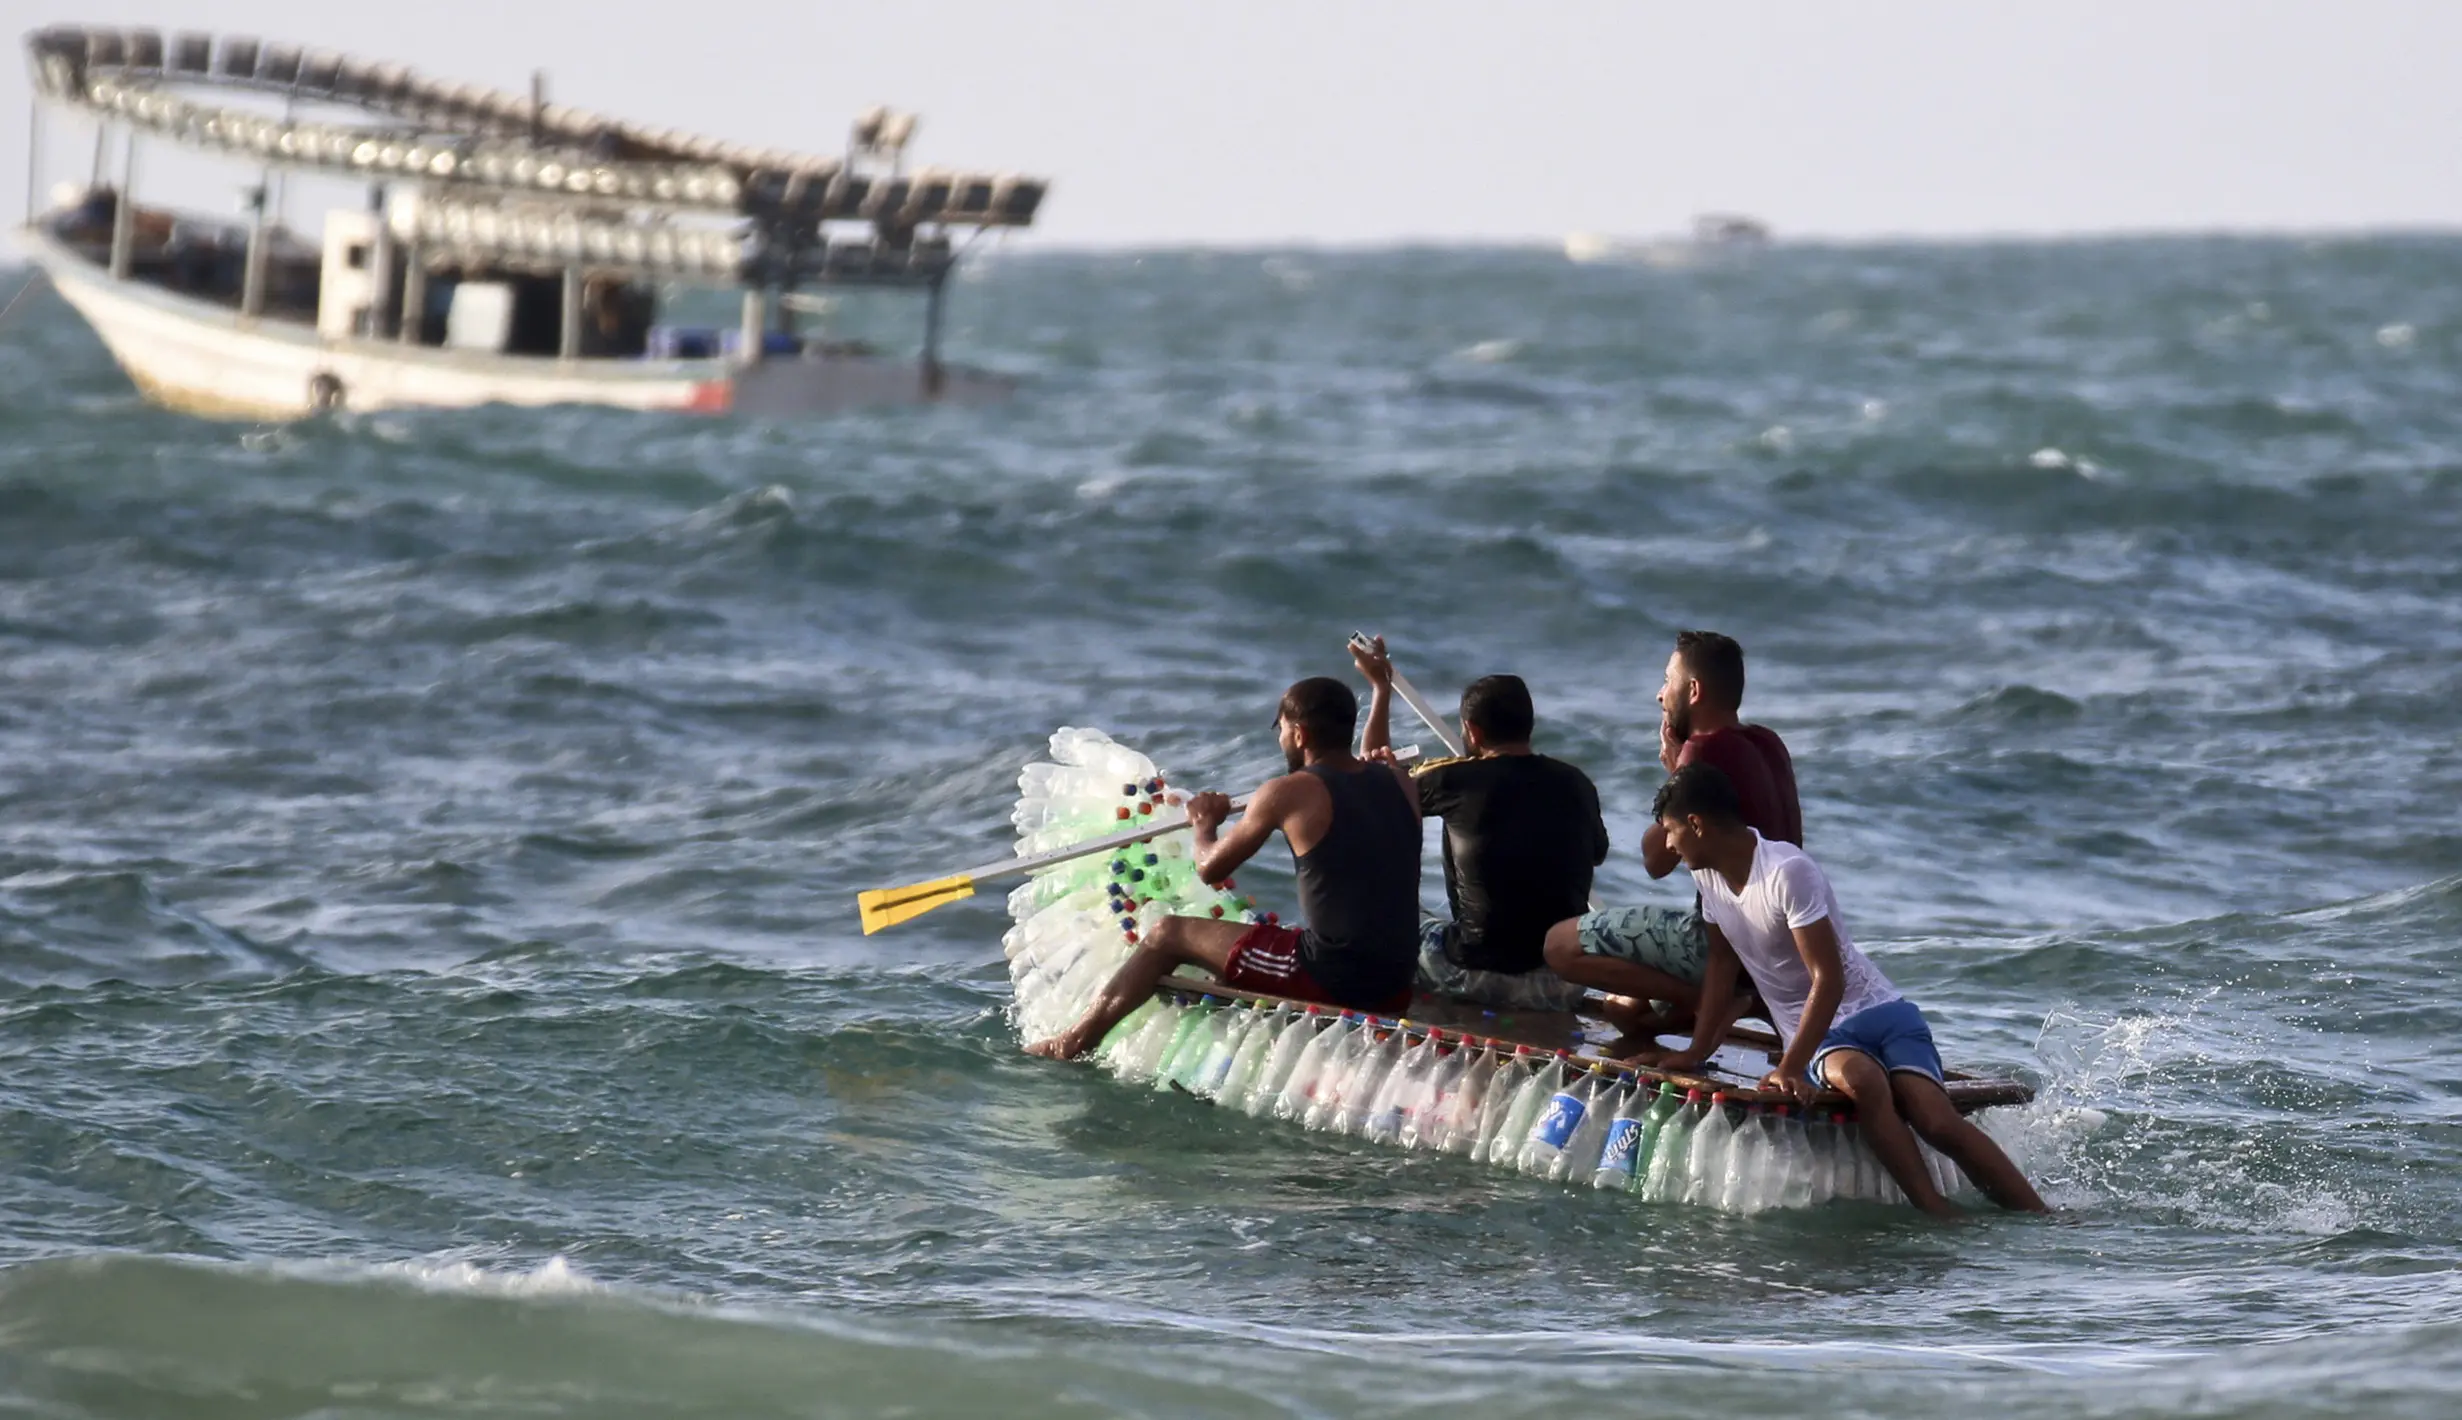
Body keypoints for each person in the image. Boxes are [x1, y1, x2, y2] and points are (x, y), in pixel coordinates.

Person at [1647, 764, 2047, 1215]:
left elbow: (1829, 978)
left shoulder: (1786, 872)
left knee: (1935, 1119)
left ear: (1696, 823)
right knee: (1864, 1082)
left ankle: (2041, 1216)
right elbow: (1722, 965)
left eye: (1670, 831)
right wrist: (1696, 1052)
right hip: (1828, 1034)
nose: (1669, 845)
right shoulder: (1707, 878)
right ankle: (1937, 1210)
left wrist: (1791, 1067)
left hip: (1881, 1010)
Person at [1026, 676, 1422, 1060]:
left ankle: (1071, 1042)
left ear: (1299, 734)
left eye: (1281, 729)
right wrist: (1381, 688)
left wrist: (1204, 824)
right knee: (1274, 934)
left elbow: (1210, 869)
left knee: (1166, 933)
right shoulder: (1399, 782)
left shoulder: (1287, 792)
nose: (1281, 739)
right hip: (1397, 979)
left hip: (1334, 976)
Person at [1542, 630, 1801, 1049]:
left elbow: (1655, 861)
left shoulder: (1701, 750)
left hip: (1723, 947)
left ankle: (1726, 1000)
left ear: (1693, 690)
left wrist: (1677, 774)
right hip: (1775, 947)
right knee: (1624, 1009)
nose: (1660, 695)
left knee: (1559, 946)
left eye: (1668, 680)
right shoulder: (1769, 743)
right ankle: (1740, 999)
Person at [1349, 636, 1605, 1013]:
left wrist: (1380, 689)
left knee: (1391, 920)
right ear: (1528, 726)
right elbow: (1597, 854)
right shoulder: (1578, 783)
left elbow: (1373, 786)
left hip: (1476, 975)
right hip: (1561, 982)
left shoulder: (1453, 779)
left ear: (1473, 731)